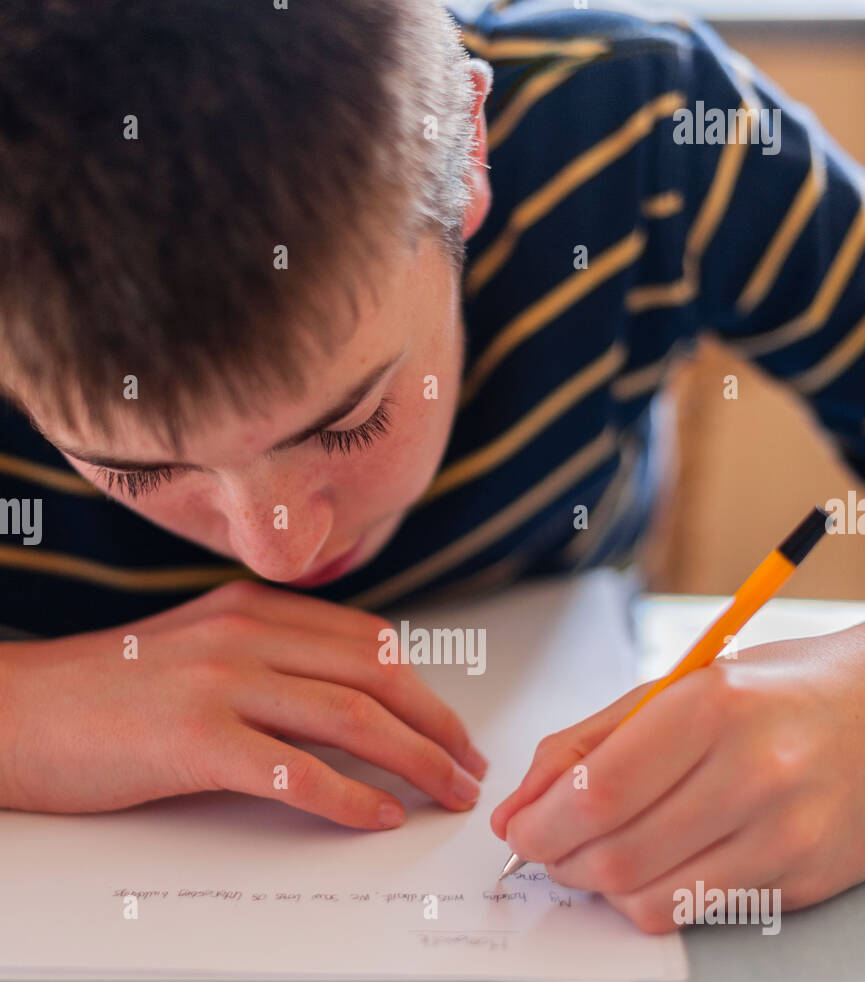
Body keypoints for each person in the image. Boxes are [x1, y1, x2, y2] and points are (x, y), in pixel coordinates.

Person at [1, 0, 864, 933]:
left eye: (348, 420)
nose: (279, 554)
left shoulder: (640, 130)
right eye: (135, 470)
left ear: (467, 158)